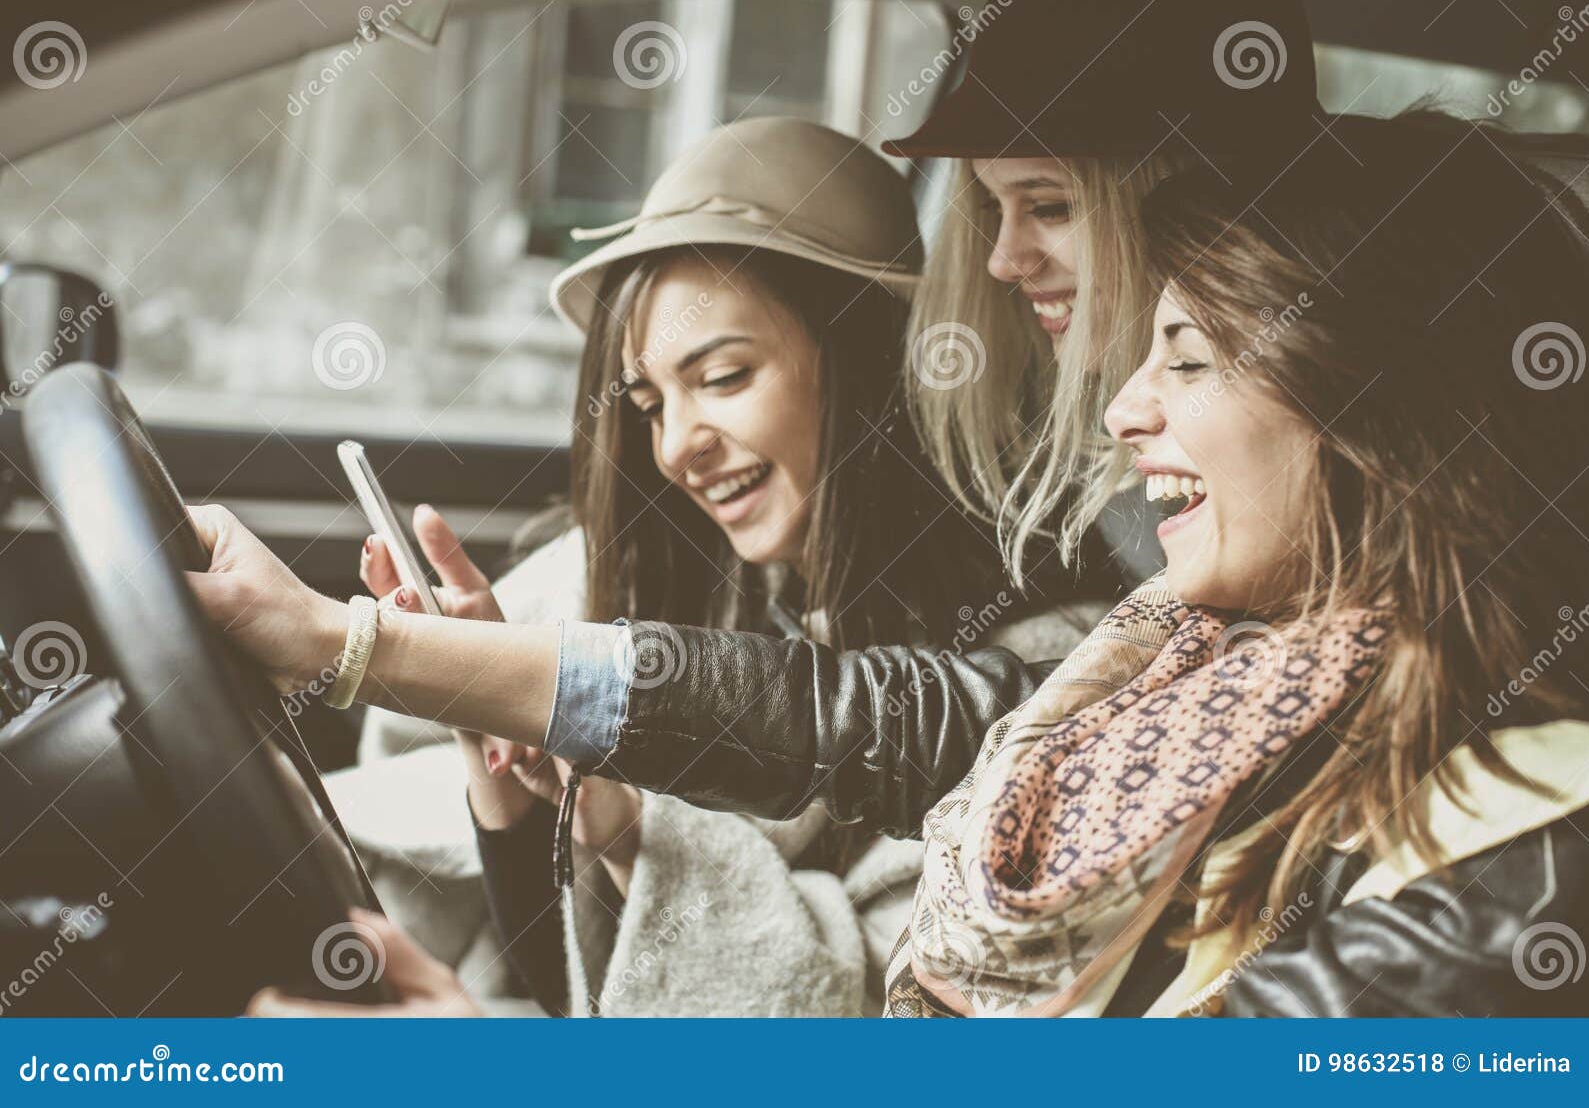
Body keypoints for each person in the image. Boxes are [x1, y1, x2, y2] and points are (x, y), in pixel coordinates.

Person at [207, 111, 1589, 1018]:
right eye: (647, 401)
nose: (1122, 410)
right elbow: (853, 719)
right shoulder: (1211, 689)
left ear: (1373, 402)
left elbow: (868, 720)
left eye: (1185, 358)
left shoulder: (1518, 862)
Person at [331, 117, 1096, 1017]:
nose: (676, 449)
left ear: (872, 365)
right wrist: (492, 751)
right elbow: (571, 981)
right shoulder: (657, 577)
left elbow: (881, 1010)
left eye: (726, 378)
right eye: (651, 404)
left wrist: (633, 832)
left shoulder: (1022, 675)